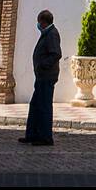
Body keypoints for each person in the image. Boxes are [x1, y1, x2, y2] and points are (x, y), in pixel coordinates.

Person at [19, 8, 61, 146]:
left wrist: (43, 65)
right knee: (36, 105)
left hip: (46, 76)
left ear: (43, 22)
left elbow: (56, 54)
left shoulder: (52, 34)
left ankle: (45, 137)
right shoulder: (47, 33)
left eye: (38, 22)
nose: (37, 25)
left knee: (44, 106)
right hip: (42, 76)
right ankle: (32, 134)